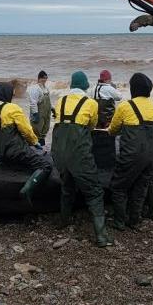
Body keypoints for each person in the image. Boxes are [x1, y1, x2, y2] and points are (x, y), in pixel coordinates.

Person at [51, 71, 112, 247]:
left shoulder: (60, 100)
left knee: (67, 185)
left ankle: (64, 220)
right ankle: (101, 236)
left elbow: (59, 121)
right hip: (79, 154)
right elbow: (92, 125)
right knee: (94, 191)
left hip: (59, 152)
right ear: (85, 86)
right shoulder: (90, 103)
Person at [0, 82, 52, 204]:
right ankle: (27, 190)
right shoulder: (12, 108)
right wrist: (35, 143)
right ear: (7, 93)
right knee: (45, 166)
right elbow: (26, 131)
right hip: (15, 152)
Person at [107, 72, 153, 229]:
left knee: (119, 186)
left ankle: (119, 221)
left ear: (133, 89)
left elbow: (114, 129)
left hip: (132, 154)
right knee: (141, 186)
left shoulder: (125, 106)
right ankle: (134, 220)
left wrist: (110, 131)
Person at [26, 70, 53, 146]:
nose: (45, 80)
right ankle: (35, 147)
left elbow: (48, 102)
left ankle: (42, 146)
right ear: (39, 78)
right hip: (38, 114)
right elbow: (33, 102)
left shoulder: (46, 89)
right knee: (36, 131)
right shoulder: (35, 89)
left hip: (46, 114)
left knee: (44, 130)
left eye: (46, 78)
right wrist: (35, 113)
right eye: (43, 78)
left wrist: (52, 109)